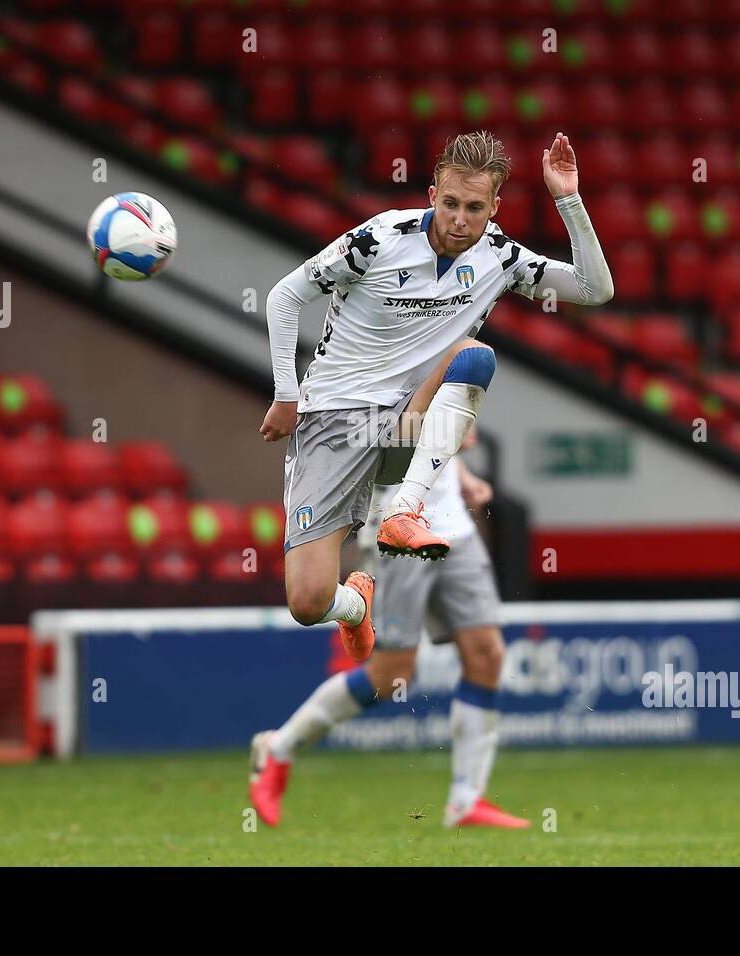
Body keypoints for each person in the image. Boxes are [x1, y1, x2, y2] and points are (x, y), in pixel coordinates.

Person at [260, 130, 612, 668]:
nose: (459, 219)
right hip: (334, 423)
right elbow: (286, 295)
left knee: (474, 354)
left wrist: (567, 197)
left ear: (494, 207)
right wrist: (286, 394)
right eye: (450, 203)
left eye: (475, 207)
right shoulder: (379, 238)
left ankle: (405, 510)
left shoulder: (499, 256)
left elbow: (594, 289)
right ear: (431, 196)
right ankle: (356, 605)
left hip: (406, 424)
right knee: (307, 604)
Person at [249, 429, 528, 828]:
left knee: (487, 653)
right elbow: (384, 425)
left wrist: (459, 473)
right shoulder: (373, 372)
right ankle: (279, 748)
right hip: (397, 531)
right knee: (391, 675)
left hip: (455, 531)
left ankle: (467, 799)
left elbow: (436, 422)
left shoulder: (436, 367)